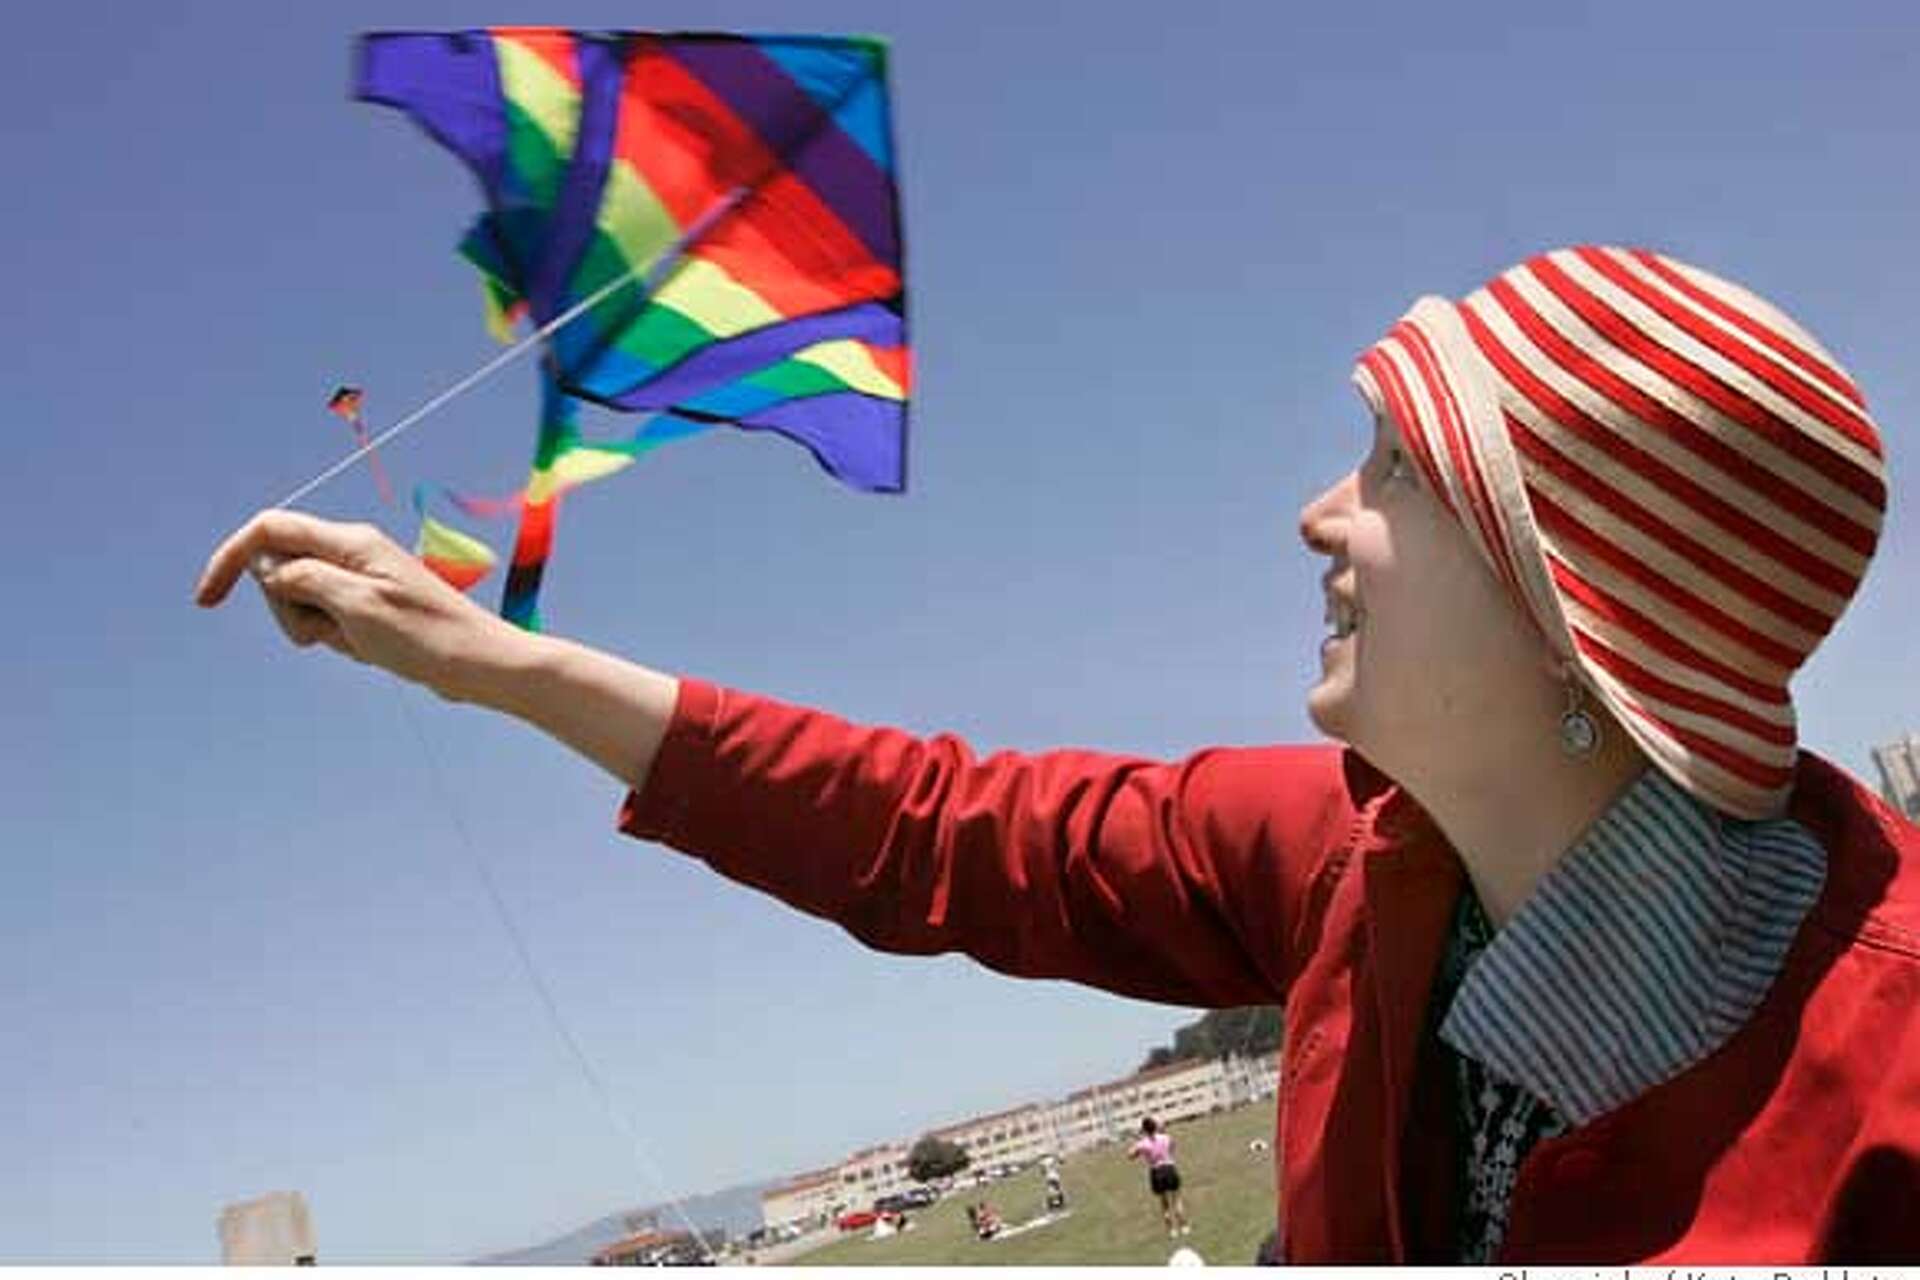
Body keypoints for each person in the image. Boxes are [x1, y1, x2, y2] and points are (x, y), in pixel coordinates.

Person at [197, 246, 1920, 1263]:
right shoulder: (1340, 854)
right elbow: (935, 829)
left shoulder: (1887, 1079)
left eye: (1393, 473)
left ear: (1578, 606)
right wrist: (499, 666)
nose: (1318, 513)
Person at [1128, 1116, 1191, 1238]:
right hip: (1170, 1168)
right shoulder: (1166, 1137)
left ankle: (1172, 1231)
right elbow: (1172, 1147)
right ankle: (1184, 1227)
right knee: (1177, 1200)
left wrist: (1138, 1143)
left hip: (1156, 1172)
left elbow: (1130, 1156)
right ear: (1155, 1126)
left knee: (1164, 1203)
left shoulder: (1143, 1143)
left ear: (1144, 1130)